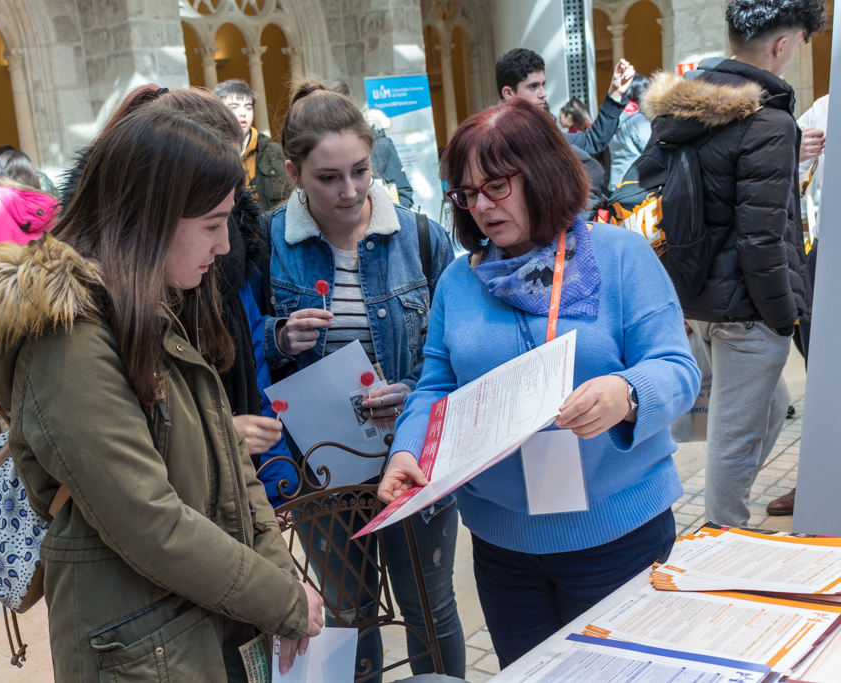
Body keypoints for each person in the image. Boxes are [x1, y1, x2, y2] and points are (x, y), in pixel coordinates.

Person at [0, 107, 323, 681]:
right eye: (212, 225)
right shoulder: (69, 340)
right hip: (144, 650)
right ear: (152, 217)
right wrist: (280, 599)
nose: (222, 247)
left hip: (195, 623)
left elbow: (231, 461)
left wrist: (277, 575)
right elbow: (148, 521)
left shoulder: (152, 301)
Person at [378, 97, 700, 667]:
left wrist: (626, 394)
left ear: (544, 174)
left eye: (496, 186)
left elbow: (677, 366)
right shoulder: (459, 280)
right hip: (505, 550)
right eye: (466, 193)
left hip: (620, 535)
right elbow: (436, 385)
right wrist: (410, 447)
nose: (480, 206)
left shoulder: (619, 254)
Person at [256, 80, 463, 680]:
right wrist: (276, 335)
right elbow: (235, 353)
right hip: (319, 467)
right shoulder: (267, 244)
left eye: (360, 171)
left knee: (430, 606)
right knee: (348, 614)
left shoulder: (420, 238)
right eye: (327, 178)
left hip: (411, 455)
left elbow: (454, 350)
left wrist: (411, 392)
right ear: (293, 173)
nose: (348, 191)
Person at [57, 84, 299, 505]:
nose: (222, 244)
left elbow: (247, 361)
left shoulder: (210, 263)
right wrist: (220, 438)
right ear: (158, 206)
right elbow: (140, 500)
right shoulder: (81, 329)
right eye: (210, 224)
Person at [643, 0, 823, 528]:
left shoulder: (686, 109)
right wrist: (783, 317)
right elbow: (763, 238)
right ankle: (724, 542)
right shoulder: (768, 122)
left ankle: (726, 524)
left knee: (766, 412)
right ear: (783, 45)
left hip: (699, 298)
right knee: (733, 440)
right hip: (746, 309)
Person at [767, 95, 828, 518]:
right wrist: (795, 152)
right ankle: (819, 479)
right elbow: (784, 179)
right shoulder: (825, 108)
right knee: (823, 379)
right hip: (825, 254)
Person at [495, 47, 636, 156]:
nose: (543, 93)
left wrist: (615, 93)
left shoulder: (543, 133)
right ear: (509, 93)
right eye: (533, 87)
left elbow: (591, 143)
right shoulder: (493, 141)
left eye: (543, 85)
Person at [328, 80, 415, 208]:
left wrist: (382, 218)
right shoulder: (323, 152)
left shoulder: (382, 146)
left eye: (360, 170)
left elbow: (403, 195)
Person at [214, 79, 293, 211]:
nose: (243, 113)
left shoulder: (273, 153)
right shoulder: (210, 154)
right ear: (219, 111)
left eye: (248, 107)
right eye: (234, 107)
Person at [607, 74, 653, 191]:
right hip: (634, 184)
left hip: (616, 183)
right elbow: (650, 149)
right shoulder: (637, 119)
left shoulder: (615, 116)